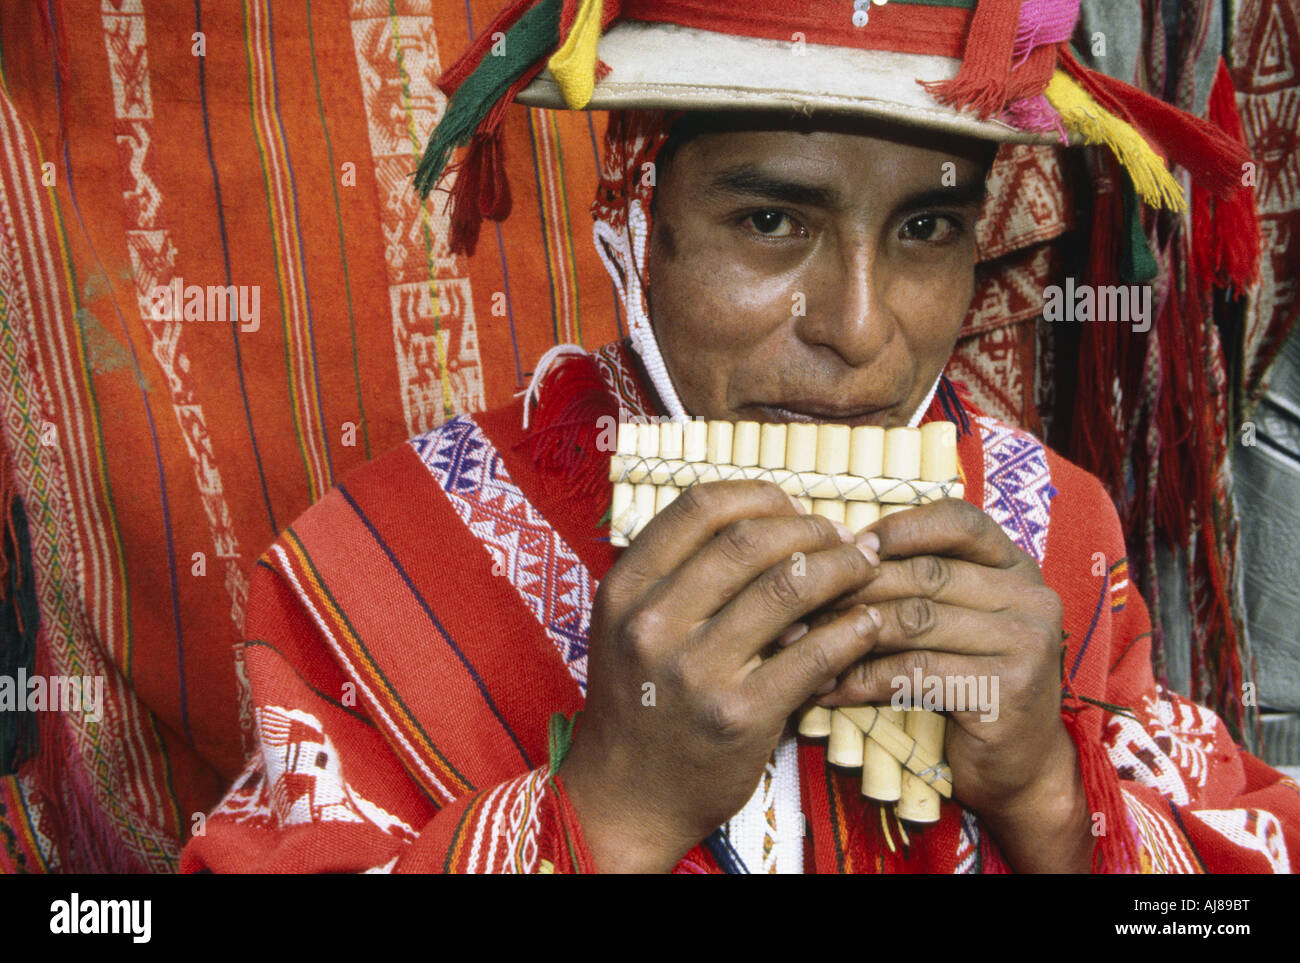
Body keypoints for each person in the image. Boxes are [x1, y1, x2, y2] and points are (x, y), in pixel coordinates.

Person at [181, 0, 1300, 874]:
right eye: (771, 221)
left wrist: (1053, 800)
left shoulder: (1057, 532)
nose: (862, 332)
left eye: (925, 228)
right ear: (633, 219)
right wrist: (606, 814)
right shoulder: (387, 558)